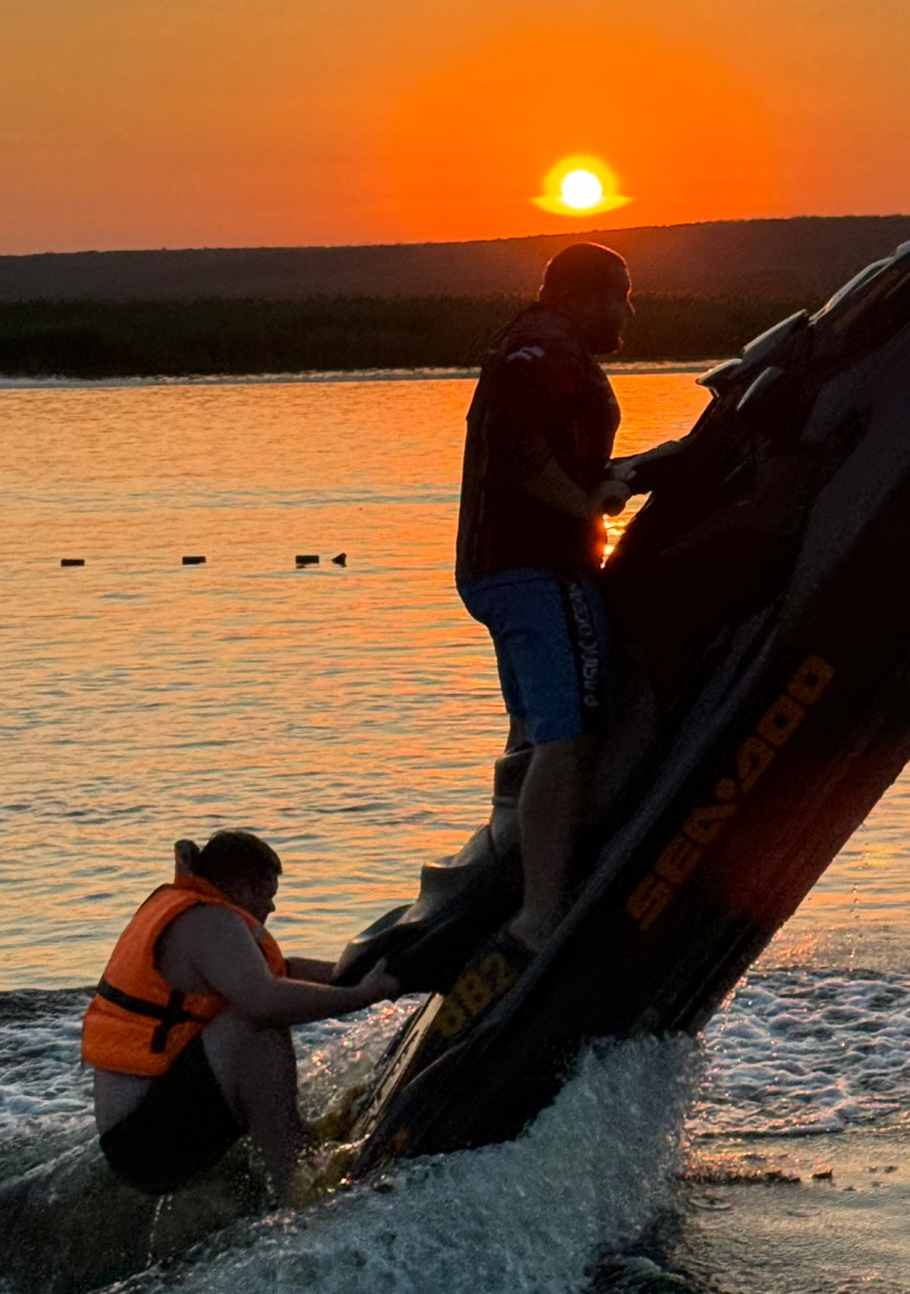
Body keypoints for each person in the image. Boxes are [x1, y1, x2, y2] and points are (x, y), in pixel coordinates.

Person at [455, 242, 639, 957]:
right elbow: (521, 457)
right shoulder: (541, 356)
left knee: (536, 729)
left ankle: (511, 878)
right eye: (621, 297)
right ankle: (539, 913)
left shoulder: (528, 348)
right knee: (566, 732)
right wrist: (588, 508)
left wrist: (622, 476)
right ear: (586, 295)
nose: (628, 313)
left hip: (505, 572)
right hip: (532, 571)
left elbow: (552, 457)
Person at [82, 829, 403, 1201]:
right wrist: (364, 996)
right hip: (147, 1145)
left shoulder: (197, 916)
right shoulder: (209, 923)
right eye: (267, 896)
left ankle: (296, 1138)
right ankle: (294, 1177)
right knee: (256, 1018)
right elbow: (264, 999)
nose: (271, 909)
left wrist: (378, 973)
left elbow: (284, 971)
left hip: (145, 1134)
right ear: (241, 887)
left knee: (260, 1005)